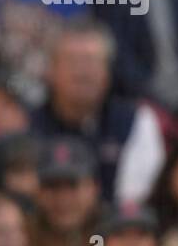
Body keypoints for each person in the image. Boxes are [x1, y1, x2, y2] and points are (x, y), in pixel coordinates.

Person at [29, 18, 166, 206]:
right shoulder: (26, 123)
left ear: (108, 71)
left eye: (91, 61)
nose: (82, 72)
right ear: (50, 70)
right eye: (72, 61)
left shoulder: (136, 121)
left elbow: (133, 203)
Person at [30, 136, 103, 246]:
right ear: (38, 192)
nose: (63, 199)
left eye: (72, 186)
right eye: (52, 187)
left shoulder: (106, 234)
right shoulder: (25, 234)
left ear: (94, 188)